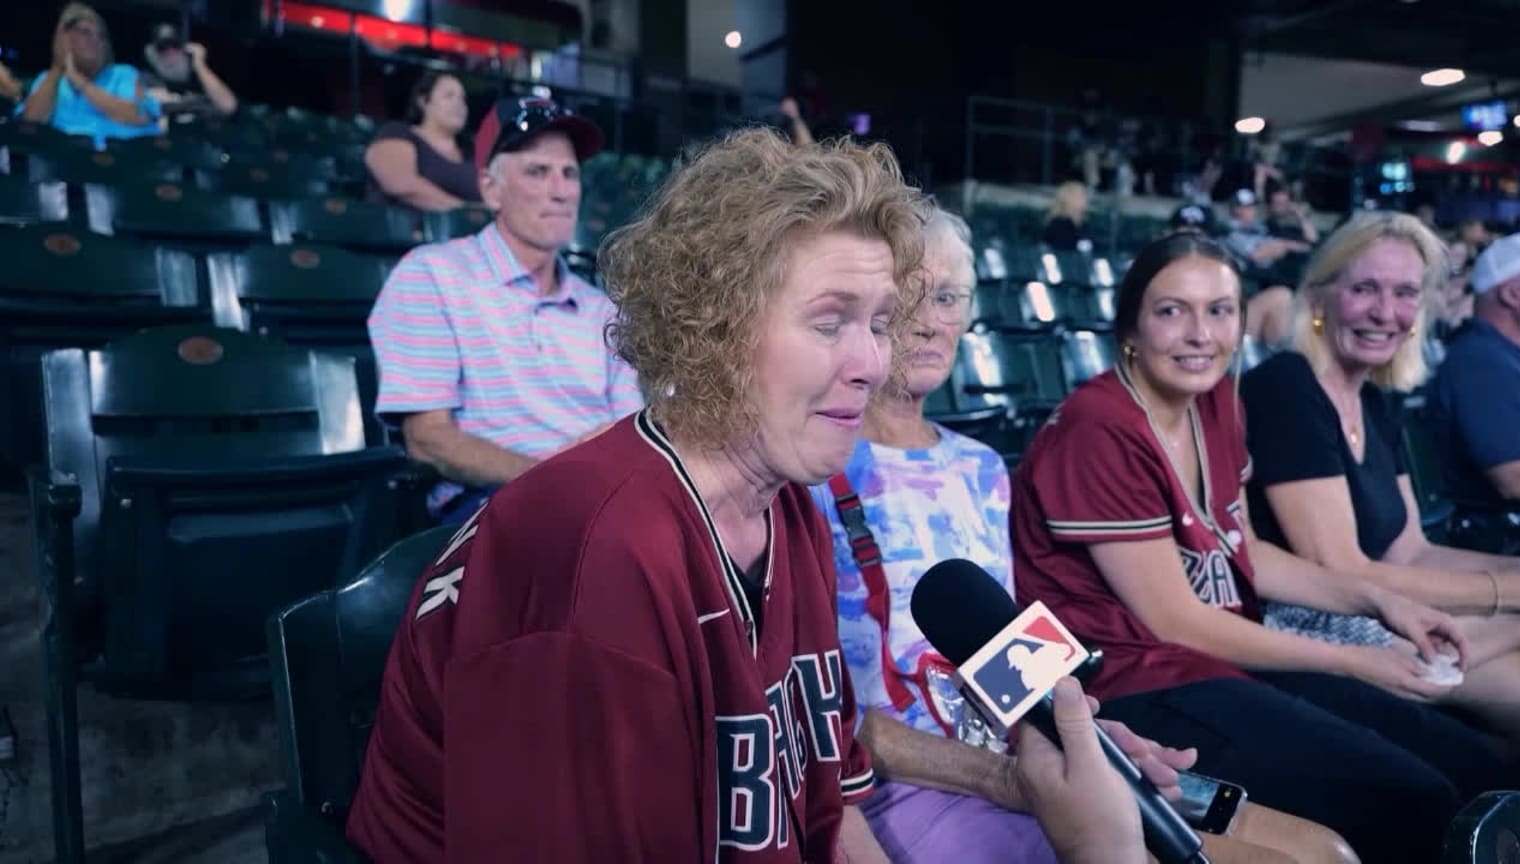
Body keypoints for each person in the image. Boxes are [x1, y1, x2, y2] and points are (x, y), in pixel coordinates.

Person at [347, 128, 1130, 864]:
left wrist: (1042, 767)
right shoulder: (596, 560)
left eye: (882, 322)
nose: (872, 362)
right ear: (714, 332)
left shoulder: (797, 498)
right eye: (831, 323)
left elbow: (829, 809)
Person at [811, 211, 1354, 863]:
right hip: (915, 781)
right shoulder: (815, 467)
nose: (931, 320)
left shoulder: (980, 466)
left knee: (1325, 849)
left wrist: (1089, 733)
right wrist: (1013, 780)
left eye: (950, 297)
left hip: (1027, 758)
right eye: (912, 297)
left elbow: (1006, 651)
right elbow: (821, 714)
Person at [1012, 231, 1513, 863]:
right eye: (1173, 311)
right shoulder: (1099, 427)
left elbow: (1244, 549)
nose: (1200, 334)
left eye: (1219, 311)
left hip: (1220, 663)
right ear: (1131, 329)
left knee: (1472, 763)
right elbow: (1176, 622)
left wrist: (1380, 602)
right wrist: (1360, 661)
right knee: (1411, 797)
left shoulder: (1217, 398)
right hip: (1128, 685)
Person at [1242, 214, 1520, 750]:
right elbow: (1342, 571)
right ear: (1319, 296)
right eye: (1364, 290)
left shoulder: (1375, 398)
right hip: (1328, 629)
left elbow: (1411, 552)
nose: (1385, 312)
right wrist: (1514, 594)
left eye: (1405, 293)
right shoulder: (1287, 387)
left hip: (1393, 617)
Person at [368, 97, 638, 524]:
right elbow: (429, 440)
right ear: (491, 189)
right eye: (538, 171)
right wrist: (555, 481)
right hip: (492, 507)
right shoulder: (432, 276)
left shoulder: (600, 308)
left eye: (569, 173)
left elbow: (630, 431)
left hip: (607, 504)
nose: (562, 190)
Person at [1433, 232, 1520, 510]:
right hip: (1506, 540)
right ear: (1512, 294)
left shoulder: (1507, 355)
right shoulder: (1483, 362)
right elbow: (1515, 477)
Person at [18, 3, 160, 144]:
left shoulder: (124, 74)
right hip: (67, 161)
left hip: (122, 160)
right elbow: (31, 124)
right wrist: (58, 68)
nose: (95, 40)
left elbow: (138, 115)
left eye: (101, 35)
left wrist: (79, 81)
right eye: (85, 33)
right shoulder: (48, 81)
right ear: (65, 39)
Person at [364, 71, 480, 211]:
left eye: (463, 99)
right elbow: (400, 184)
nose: (460, 104)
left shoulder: (473, 150)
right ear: (424, 101)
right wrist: (464, 211)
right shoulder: (397, 132)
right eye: (449, 96)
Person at [1223, 189, 1300, 348]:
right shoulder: (1228, 230)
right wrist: (1277, 248)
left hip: (1266, 284)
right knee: (1281, 296)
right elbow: (1255, 255)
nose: (1247, 211)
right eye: (1242, 207)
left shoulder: (1260, 229)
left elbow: (1303, 246)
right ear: (1233, 208)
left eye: (1250, 207)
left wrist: (1278, 247)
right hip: (1243, 294)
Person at [140, 23, 238, 118]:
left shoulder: (205, 79)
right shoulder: (146, 81)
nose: (170, 53)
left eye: (175, 44)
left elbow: (228, 105)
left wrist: (199, 65)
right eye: (162, 47)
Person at [1041, 181, 1090, 253]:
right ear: (1068, 199)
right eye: (1081, 195)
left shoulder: (1084, 224)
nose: (1085, 198)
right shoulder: (1058, 225)